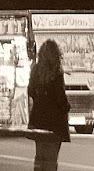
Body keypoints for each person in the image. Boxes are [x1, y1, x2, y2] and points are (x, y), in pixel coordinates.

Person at [27, 39, 70, 171]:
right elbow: (60, 97)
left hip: (38, 117)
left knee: (40, 156)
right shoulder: (56, 73)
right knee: (51, 158)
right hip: (54, 120)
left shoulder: (36, 70)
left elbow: (30, 91)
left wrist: (40, 101)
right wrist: (66, 108)